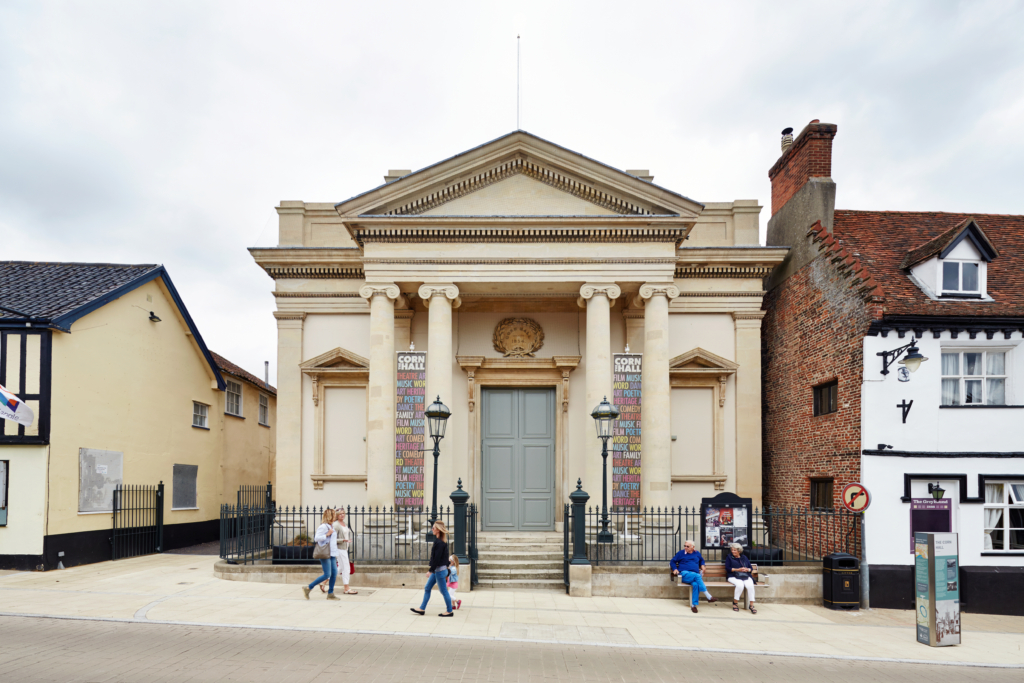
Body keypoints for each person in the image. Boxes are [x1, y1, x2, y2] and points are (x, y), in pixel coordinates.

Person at [410, 520, 454, 617]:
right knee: (427, 588)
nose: (432, 529)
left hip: (439, 571)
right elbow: (444, 557)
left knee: (444, 591)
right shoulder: (440, 542)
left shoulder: (440, 543)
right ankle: (422, 609)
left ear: (438, 530)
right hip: (438, 571)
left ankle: (449, 611)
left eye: (433, 528)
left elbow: (437, 559)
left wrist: (430, 570)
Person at [670, 539, 717, 613]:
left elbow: (701, 560)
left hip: (694, 575)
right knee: (698, 576)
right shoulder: (681, 553)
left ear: (693, 547)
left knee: (696, 584)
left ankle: (693, 605)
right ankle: (708, 596)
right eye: (685, 546)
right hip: (684, 574)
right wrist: (675, 568)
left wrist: (703, 565)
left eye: (687, 546)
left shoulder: (697, 553)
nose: (685, 547)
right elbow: (672, 561)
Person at [321, 507, 358, 595]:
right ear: (337, 516)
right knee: (346, 568)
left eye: (343, 513)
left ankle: (324, 581)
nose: (342, 515)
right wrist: (343, 540)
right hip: (339, 548)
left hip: (344, 548)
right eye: (340, 514)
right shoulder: (336, 525)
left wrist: (346, 541)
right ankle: (346, 588)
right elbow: (332, 539)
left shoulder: (344, 523)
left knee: (340, 568)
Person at [303, 508, 339, 600]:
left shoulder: (331, 526)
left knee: (334, 573)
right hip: (325, 553)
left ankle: (330, 593)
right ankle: (308, 588)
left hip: (332, 553)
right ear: (330, 516)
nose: (336, 516)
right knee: (327, 574)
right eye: (334, 515)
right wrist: (327, 534)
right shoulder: (323, 526)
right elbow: (316, 538)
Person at [724, 542, 756, 614]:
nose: (733, 551)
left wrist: (747, 569)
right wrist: (738, 569)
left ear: (739, 551)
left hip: (745, 575)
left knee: (750, 586)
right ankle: (735, 603)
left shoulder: (744, 557)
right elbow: (728, 568)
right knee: (740, 585)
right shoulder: (729, 557)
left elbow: (750, 568)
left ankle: (751, 605)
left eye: (734, 550)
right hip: (733, 576)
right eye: (732, 550)